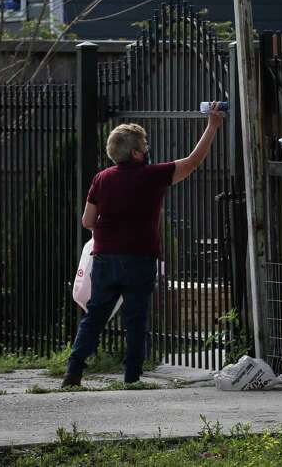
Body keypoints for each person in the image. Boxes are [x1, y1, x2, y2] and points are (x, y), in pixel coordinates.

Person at [62, 106, 226, 387]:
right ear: (137, 154)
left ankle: (74, 370)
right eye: (145, 145)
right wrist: (212, 126)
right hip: (140, 258)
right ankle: (131, 376)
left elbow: (88, 220)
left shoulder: (102, 178)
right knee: (136, 318)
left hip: (105, 258)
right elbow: (192, 162)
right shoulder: (153, 175)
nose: (147, 149)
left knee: (95, 316)